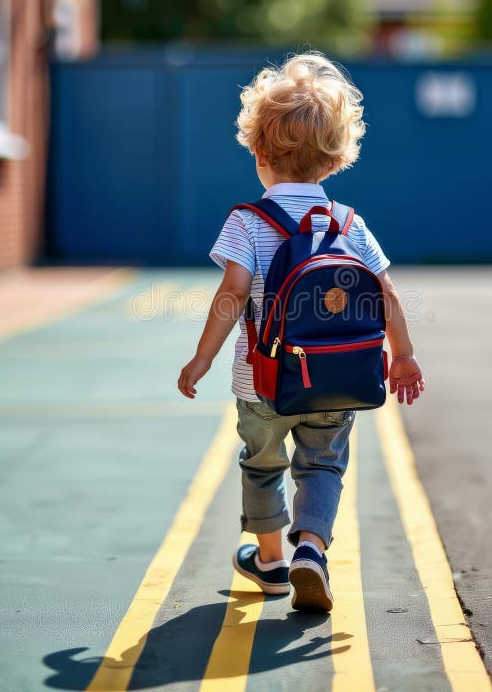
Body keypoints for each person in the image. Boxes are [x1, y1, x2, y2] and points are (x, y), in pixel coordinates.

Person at [177, 53, 425, 612]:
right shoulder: (349, 223)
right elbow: (385, 293)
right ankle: (311, 548)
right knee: (324, 464)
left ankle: (269, 563)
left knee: (262, 465)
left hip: (263, 383)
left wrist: (201, 359)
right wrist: (402, 355)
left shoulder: (247, 221)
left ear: (259, 152)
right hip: (337, 379)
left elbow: (231, 296)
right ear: (335, 159)